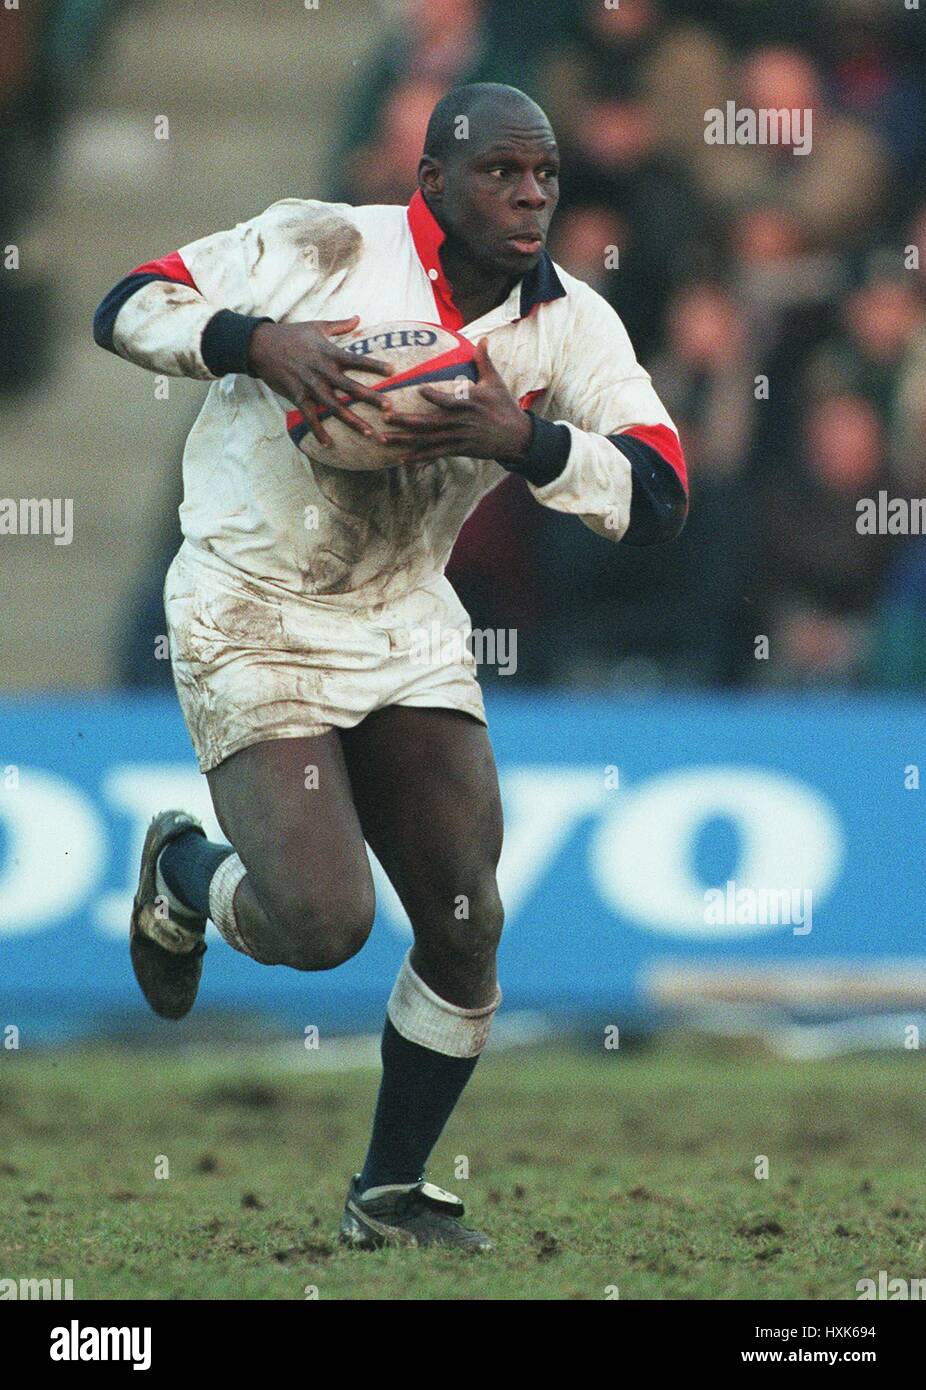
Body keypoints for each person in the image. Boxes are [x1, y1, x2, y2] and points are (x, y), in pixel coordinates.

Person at [92, 83, 687, 1251]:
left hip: (401, 615)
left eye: (544, 175)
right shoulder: (318, 244)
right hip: (248, 600)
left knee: (466, 918)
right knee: (321, 925)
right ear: (432, 184)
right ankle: (180, 874)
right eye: (500, 173)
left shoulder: (570, 324)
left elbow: (660, 488)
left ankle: (389, 1192)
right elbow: (127, 301)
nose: (528, 196)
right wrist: (256, 341)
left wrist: (521, 439)